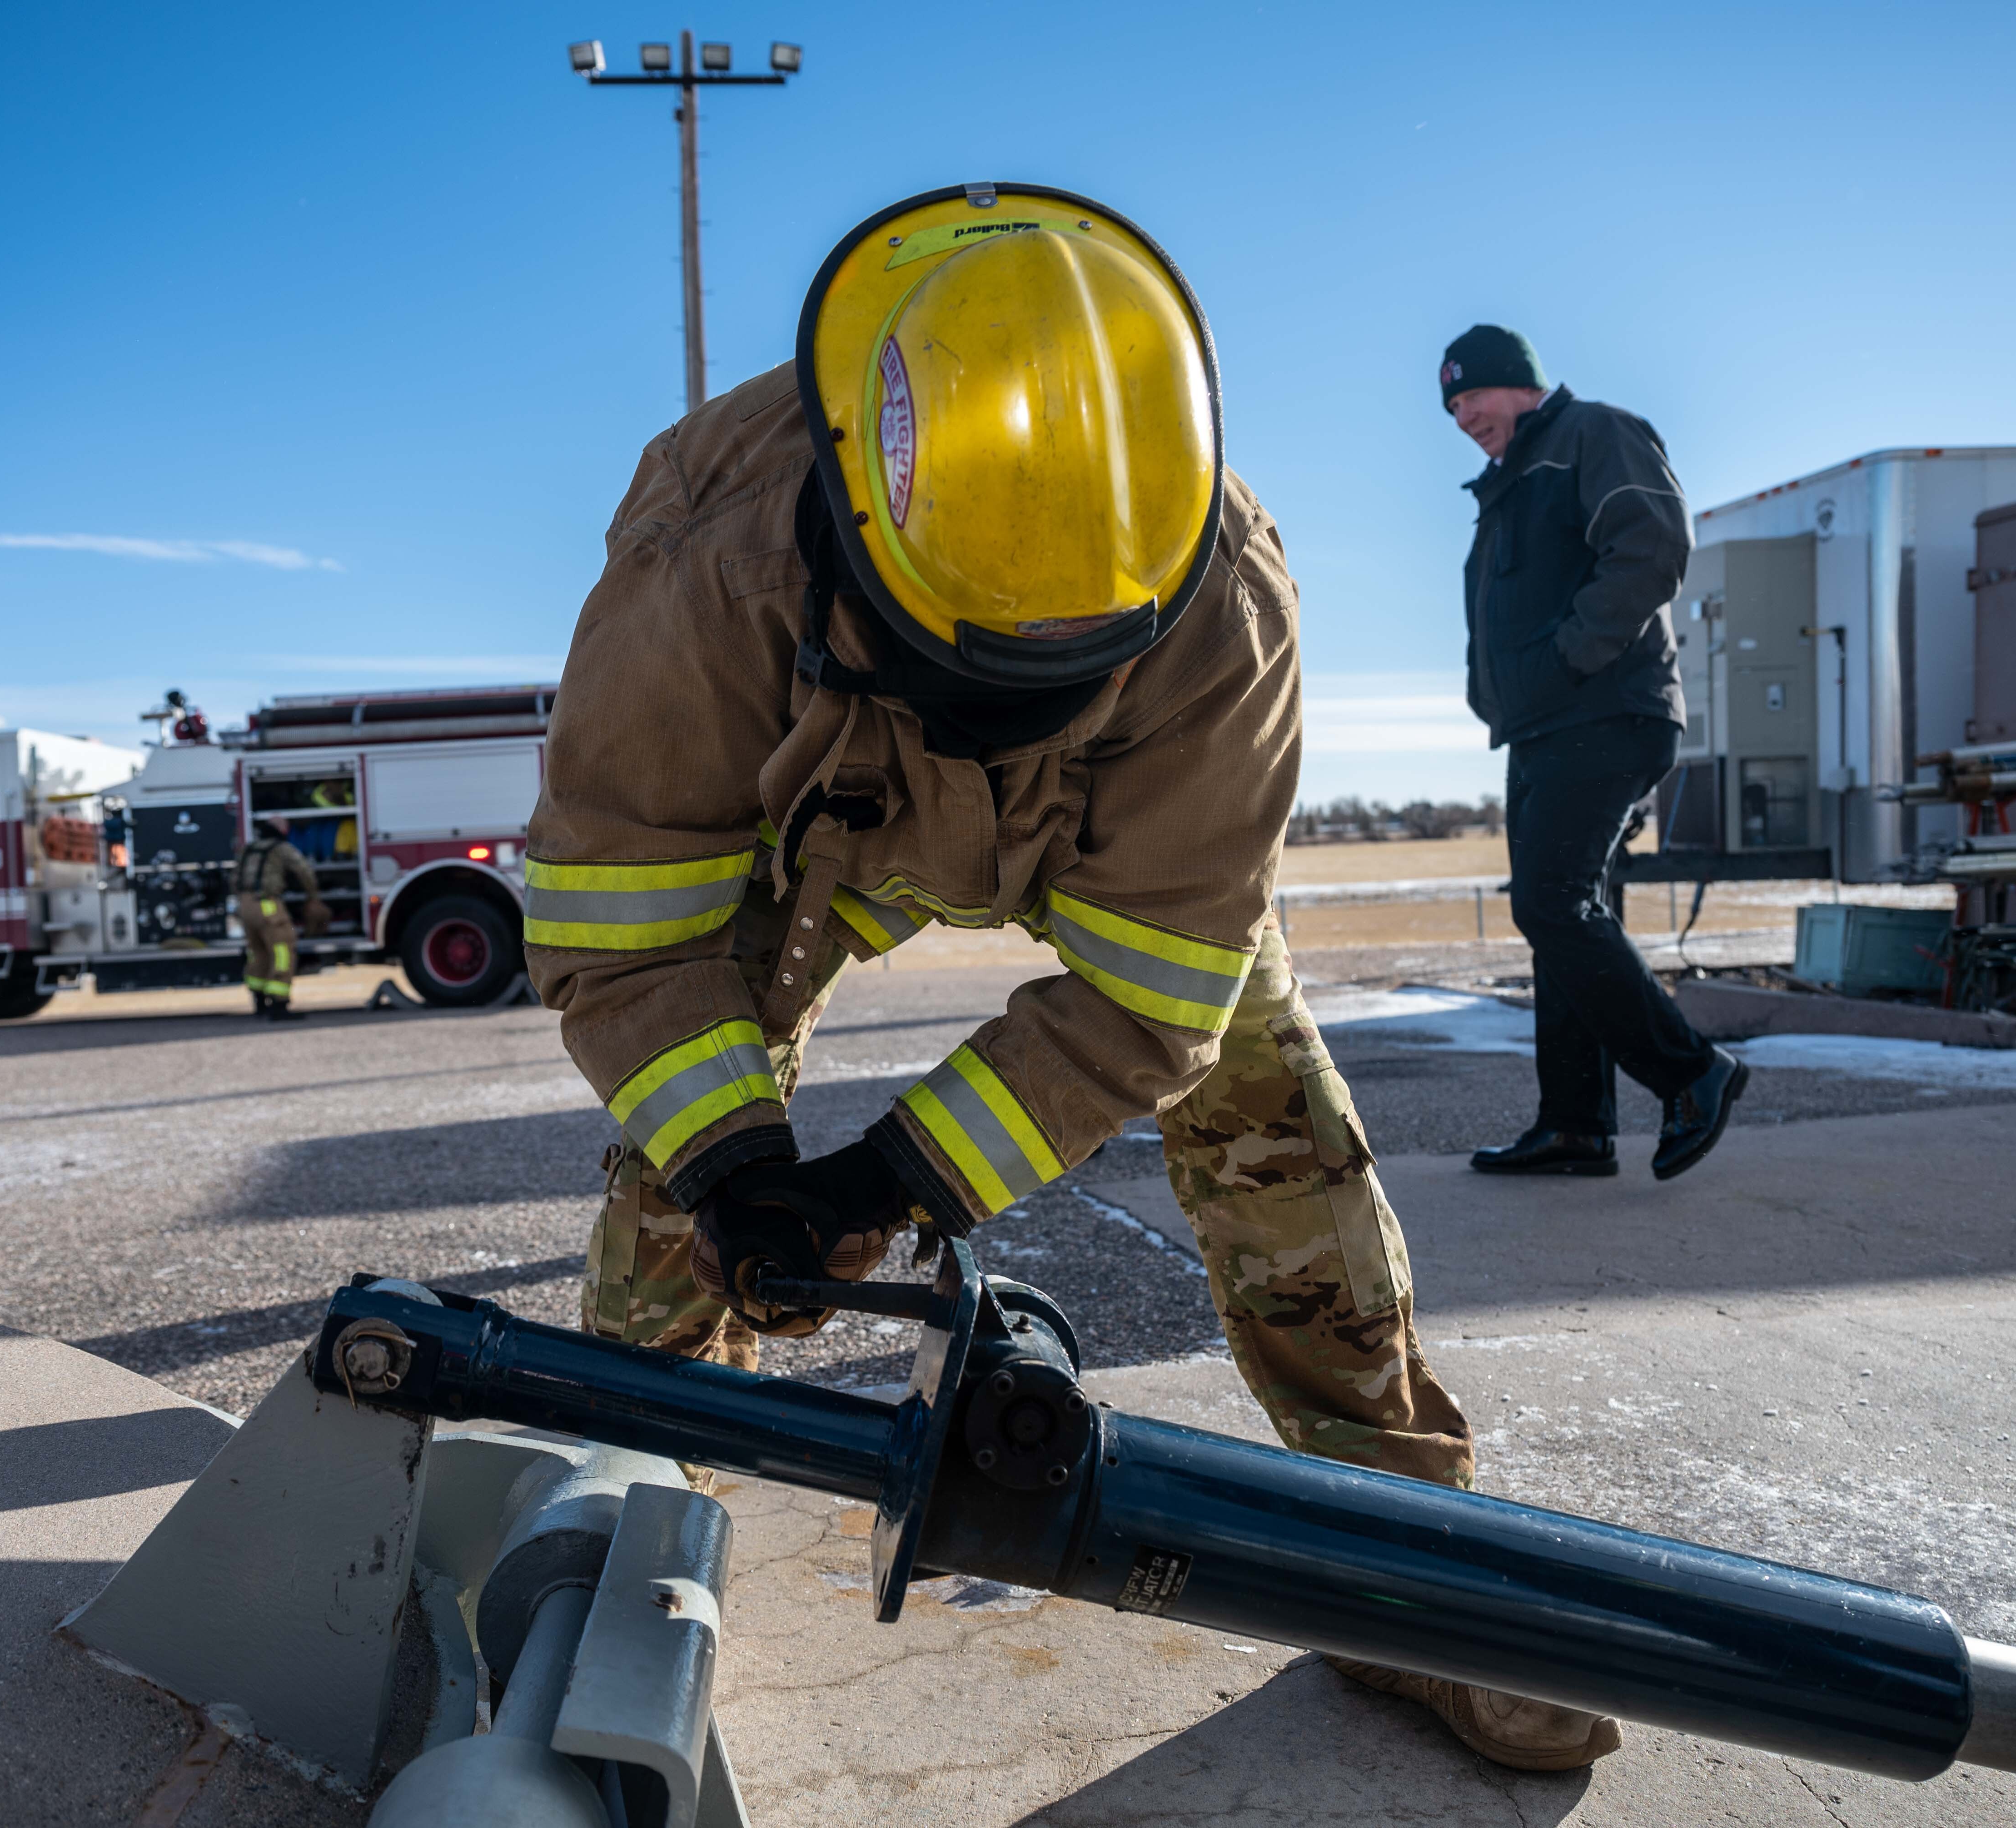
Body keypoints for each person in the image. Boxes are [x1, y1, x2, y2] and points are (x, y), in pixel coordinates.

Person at [524, 186, 1619, 1771]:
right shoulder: (704, 560)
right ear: (849, 536)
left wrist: (903, 1178)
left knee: (1271, 1118)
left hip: (1110, 819)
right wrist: (736, 1159)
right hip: (814, 811)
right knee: (679, 1166)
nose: (989, 720)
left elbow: (1153, 990)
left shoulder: (1222, 604)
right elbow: (631, 938)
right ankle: (625, 1539)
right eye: (961, 680)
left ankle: (1399, 1562)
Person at [1443, 325, 1747, 1180]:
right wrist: (1496, 693)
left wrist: (1570, 657)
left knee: (1550, 903)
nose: (1463, 415)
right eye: (1453, 406)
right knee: (1563, 917)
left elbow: (1650, 545)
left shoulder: (1593, 434)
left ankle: (1693, 1072)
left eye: (1473, 396)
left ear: (1519, 384)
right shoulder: (1504, 484)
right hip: (1544, 722)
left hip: (1606, 708)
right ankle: (1574, 1123)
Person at [233, 815, 325, 1021]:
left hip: (245, 906)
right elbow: (304, 871)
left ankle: (259, 1002)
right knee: (283, 950)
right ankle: (279, 1004)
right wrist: (313, 897)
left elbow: (235, 879)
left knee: (258, 952)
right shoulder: (281, 849)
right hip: (268, 905)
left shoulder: (249, 849)